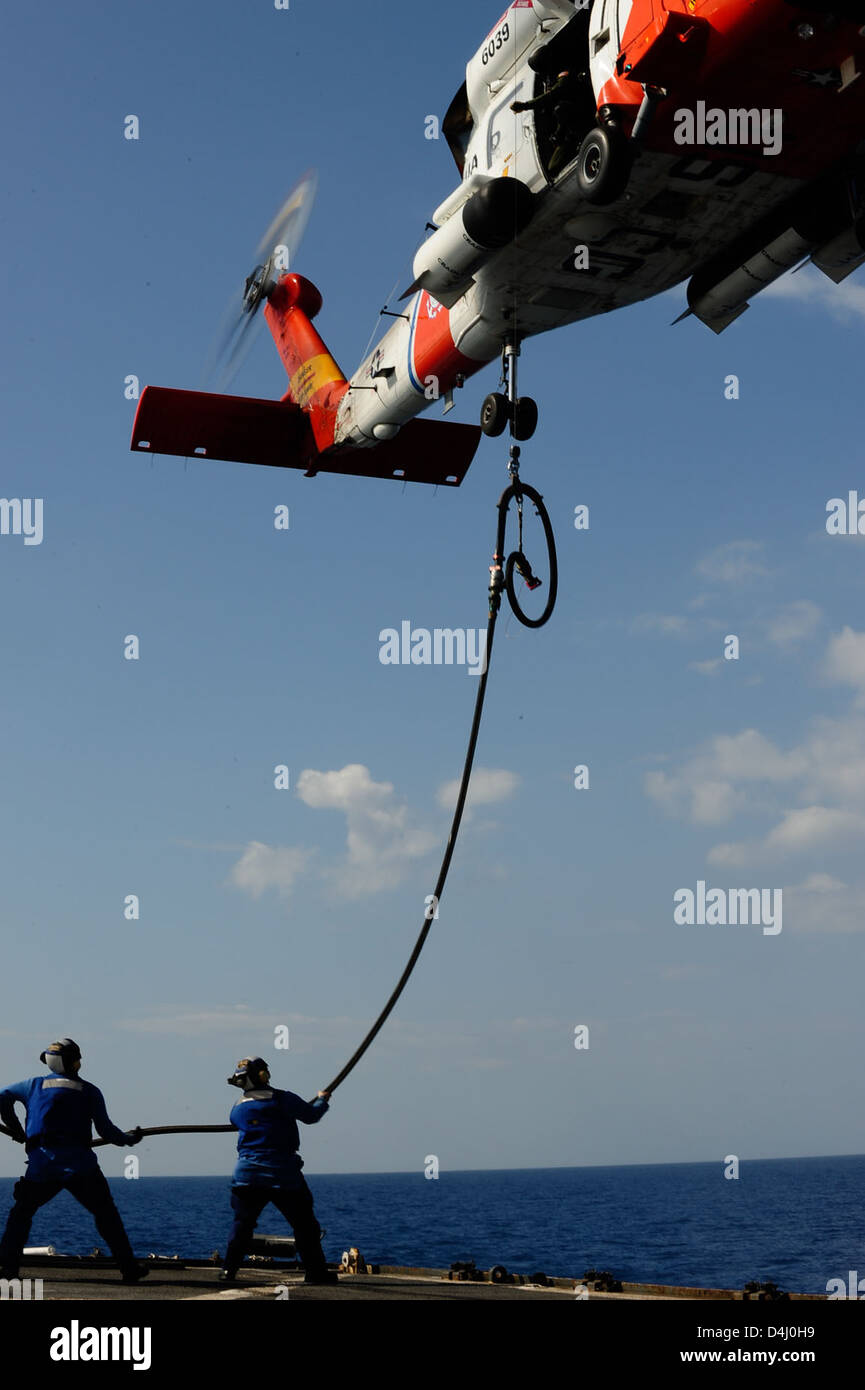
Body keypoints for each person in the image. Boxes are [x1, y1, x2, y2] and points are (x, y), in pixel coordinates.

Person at [0, 1038, 146, 1282]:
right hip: (81, 1166)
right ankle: (129, 1269)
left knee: (21, 1216)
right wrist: (130, 1139)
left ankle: (8, 1268)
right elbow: (107, 1131)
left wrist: (16, 1128)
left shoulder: (32, 1085)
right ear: (75, 1062)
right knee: (106, 1215)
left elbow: (2, 1097)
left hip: (42, 1166)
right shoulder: (89, 1091)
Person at [221, 1057, 337, 1285]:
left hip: (247, 1176)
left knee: (242, 1225)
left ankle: (228, 1271)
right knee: (305, 1225)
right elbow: (311, 1116)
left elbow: (238, 1121)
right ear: (264, 1075)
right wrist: (322, 1100)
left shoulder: (237, 1108)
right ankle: (316, 1273)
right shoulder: (284, 1099)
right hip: (284, 1176)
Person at [512, 69, 589, 178]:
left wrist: (524, 106)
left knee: (560, 109)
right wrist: (557, 136)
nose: (548, 89)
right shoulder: (557, 104)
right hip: (569, 135)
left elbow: (551, 96)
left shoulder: (564, 80)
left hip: (584, 119)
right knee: (552, 168)